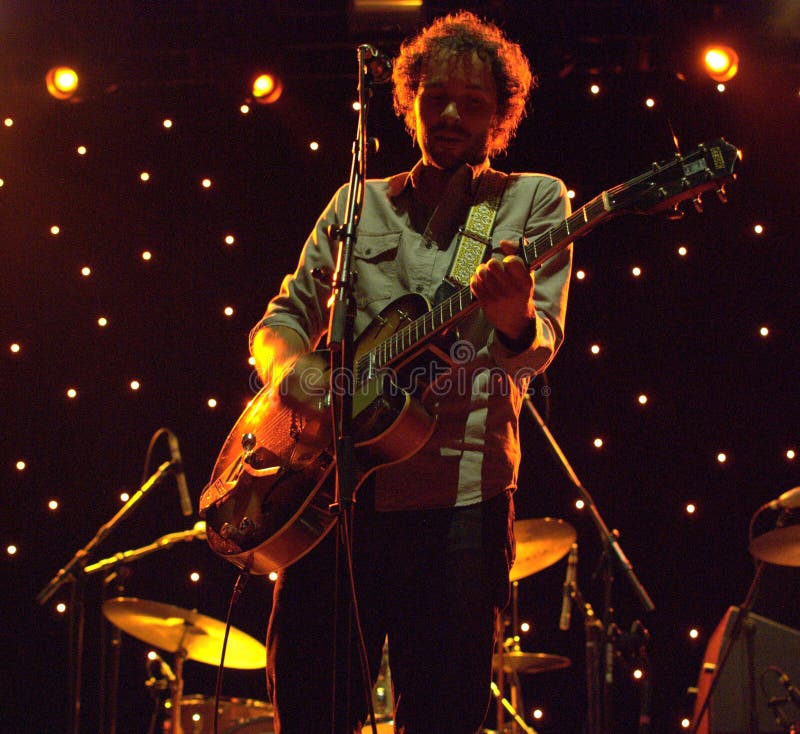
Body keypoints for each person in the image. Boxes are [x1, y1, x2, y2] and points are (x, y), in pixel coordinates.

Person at [249, 10, 572, 733]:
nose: (453, 114)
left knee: (444, 715)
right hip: (331, 504)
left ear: (501, 117)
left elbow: (539, 344)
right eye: (436, 99)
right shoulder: (355, 201)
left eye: (475, 103)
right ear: (408, 102)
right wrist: (292, 374)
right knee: (312, 708)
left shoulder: (531, 202)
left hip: (459, 507)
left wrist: (514, 315)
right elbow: (282, 319)